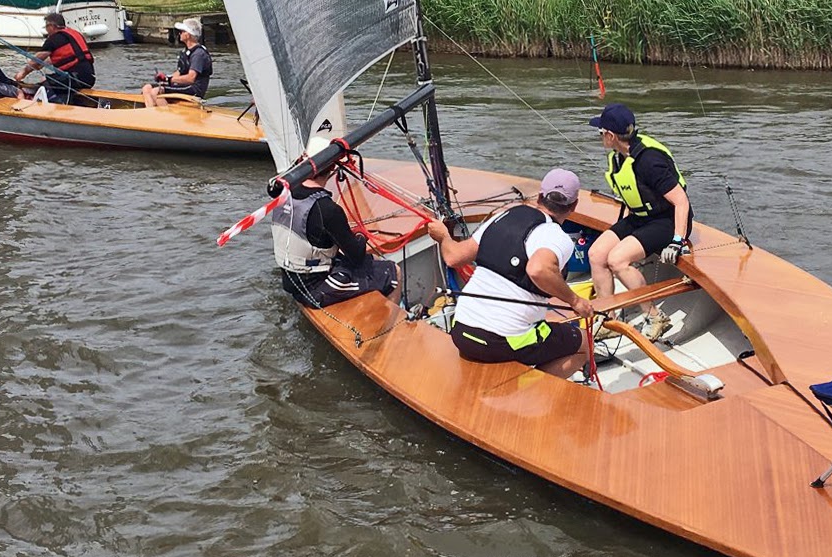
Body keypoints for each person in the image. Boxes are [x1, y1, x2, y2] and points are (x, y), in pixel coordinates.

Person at [427, 169, 594, 378]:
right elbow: (539, 269)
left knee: (544, 329)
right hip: (501, 340)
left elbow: (454, 257)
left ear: (540, 196)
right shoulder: (555, 235)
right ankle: (527, 395)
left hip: (461, 331)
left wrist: (444, 236)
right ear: (574, 206)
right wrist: (576, 301)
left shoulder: (504, 215)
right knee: (583, 342)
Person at [586, 103, 694, 340]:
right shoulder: (619, 156)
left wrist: (677, 241)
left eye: (601, 132)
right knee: (596, 254)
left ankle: (655, 316)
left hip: (666, 220)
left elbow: (681, 202)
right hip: (639, 218)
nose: (600, 137)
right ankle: (608, 319)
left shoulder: (649, 161)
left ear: (611, 136)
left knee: (617, 259)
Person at [272, 166, 402, 308]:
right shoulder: (328, 209)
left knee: (373, 260)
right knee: (393, 272)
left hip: (291, 280)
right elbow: (357, 257)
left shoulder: (284, 193)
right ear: (332, 168)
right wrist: (360, 235)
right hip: (315, 289)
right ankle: (392, 326)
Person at [14, 12, 95, 104]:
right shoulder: (75, 34)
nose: (46, 31)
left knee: (45, 80)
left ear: (51, 26)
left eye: (46, 27)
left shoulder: (54, 39)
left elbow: (36, 61)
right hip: (89, 78)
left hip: (75, 78)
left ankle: (53, 105)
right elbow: (50, 60)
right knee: (53, 80)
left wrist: (22, 74)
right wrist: (41, 65)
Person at [141, 18, 212, 108]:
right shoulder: (185, 51)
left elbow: (191, 78)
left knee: (156, 91)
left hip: (193, 88)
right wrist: (165, 78)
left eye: (182, 31)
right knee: (146, 88)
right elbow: (179, 72)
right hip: (183, 86)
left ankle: (167, 119)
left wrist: (169, 80)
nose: (180, 34)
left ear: (188, 35)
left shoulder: (198, 54)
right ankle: (151, 114)